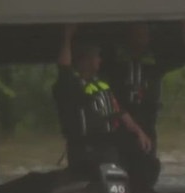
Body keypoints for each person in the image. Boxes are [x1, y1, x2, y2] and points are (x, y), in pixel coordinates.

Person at [100, 21, 185, 191]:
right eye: (136, 33)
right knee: (119, 169)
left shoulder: (156, 60)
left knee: (146, 170)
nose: (140, 37)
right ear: (127, 35)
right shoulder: (115, 61)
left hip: (147, 123)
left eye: (144, 33)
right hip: (120, 124)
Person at [52, 24, 152, 184]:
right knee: (87, 187)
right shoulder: (70, 84)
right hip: (84, 149)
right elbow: (63, 67)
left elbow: (119, 111)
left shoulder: (102, 83)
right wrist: (67, 36)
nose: (100, 60)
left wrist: (139, 131)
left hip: (108, 147)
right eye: (96, 56)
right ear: (85, 59)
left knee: (117, 182)